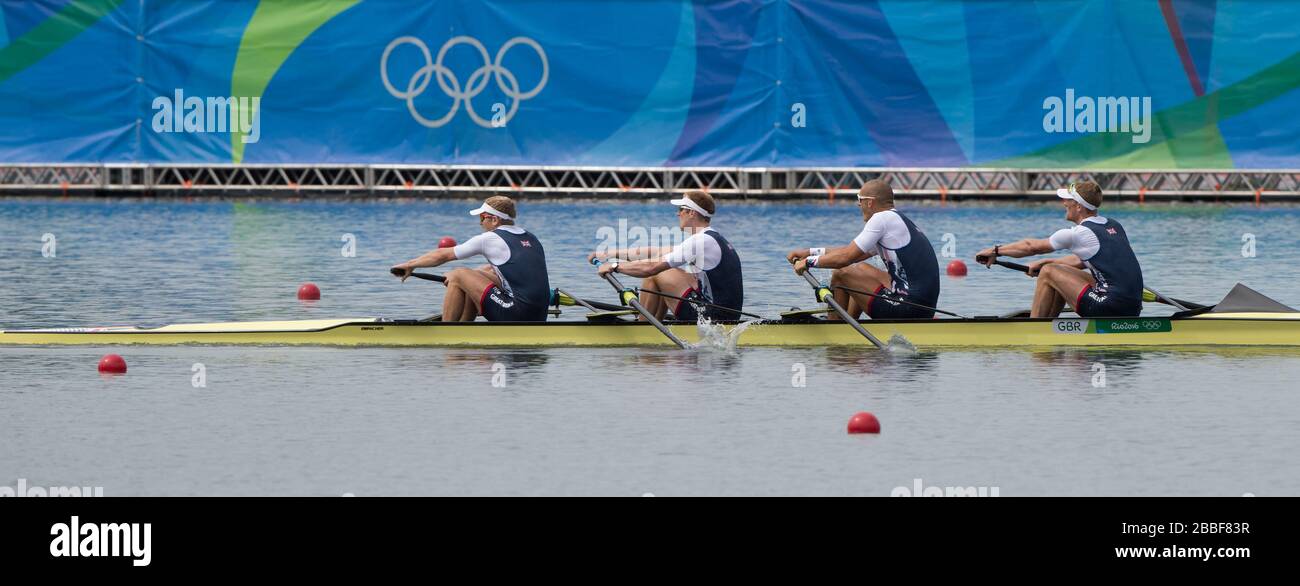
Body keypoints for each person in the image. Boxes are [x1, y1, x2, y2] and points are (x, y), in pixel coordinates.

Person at [975, 181, 1144, 318]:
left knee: (1048, 272)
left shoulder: (1079, 233)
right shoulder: (1113, 225)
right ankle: (1048, 324)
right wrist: (1047, 262)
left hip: (1107, 307)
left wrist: (995, 251)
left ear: (1078, 206)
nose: (1064, 203)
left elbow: (1031, 247)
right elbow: (1082, 260)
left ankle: (1035, 328)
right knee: (1054, 269)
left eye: (1067, 200)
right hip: (1132, 307)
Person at [788, 179, 941, 320]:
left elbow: (844, 258)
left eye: (859, 199)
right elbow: (851, 253)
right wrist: (809, 252)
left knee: (842, 273)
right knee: (860, 269)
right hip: (922, 308)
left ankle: (835, 327)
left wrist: (808, 262)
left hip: (908, 309)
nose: (858, 205)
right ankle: (849, 321)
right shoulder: (895, 220)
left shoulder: (880, 219)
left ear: (869, 202)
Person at [588, 190, 744, 322]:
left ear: (691, 212)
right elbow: (657, 252)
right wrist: (608, 254)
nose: (678, 214)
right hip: (723, 312)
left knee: (658, 272)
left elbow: (651, 267)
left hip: (714, 318)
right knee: (661, 271)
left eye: (681, 209)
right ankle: (650, 322)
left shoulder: (701, 241)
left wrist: (614, 267)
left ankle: (643, 328)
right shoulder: (708, 238)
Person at [392, 196, 550, 322]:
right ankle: (463, 325)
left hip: (515, 314)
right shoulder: (530, 237)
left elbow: (443, 255)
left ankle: (446, 331)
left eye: (482, 218)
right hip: (538, 315)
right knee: (481, 271)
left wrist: (410, 265)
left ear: (495, 220)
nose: (480, 223)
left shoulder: (490, 238)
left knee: (458, 274)